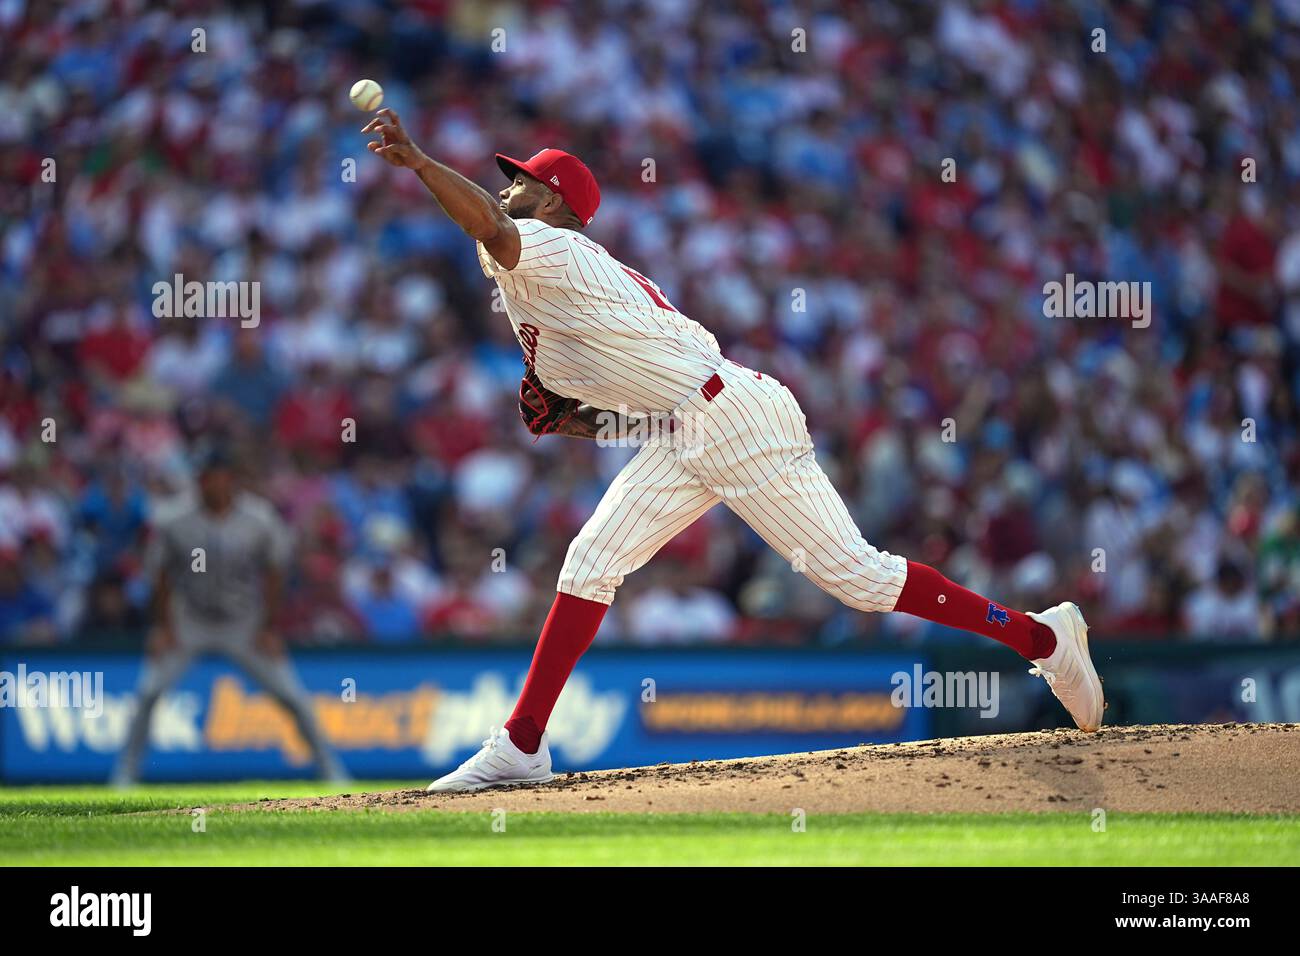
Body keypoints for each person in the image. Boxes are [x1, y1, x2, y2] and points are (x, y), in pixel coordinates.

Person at [359, 109, 1103, 793]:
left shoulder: (549, 248)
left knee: (860, 580)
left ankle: (1040, 636)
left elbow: (487, 222)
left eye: (520, 180)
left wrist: (421, 162)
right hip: (688, 424)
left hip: (733, 416)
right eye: (510, 179)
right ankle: (522, 744)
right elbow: (624, 413)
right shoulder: (541, 293)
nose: (508, 186)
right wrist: (579, 423)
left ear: (553, 202)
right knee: (590, 561)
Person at [111, 445, 349, 786]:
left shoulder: (258, 517)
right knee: (149, 691)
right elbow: (160, 574)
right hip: (188, 619)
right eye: (206, 477)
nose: (212, 484)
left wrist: (268, 627)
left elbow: (275, 570)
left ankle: (331, 770)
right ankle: (125, 774)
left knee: (291, 695)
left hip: (244, 622)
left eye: (219, 477)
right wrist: (163, 626)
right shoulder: (173, 517)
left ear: (231, 479)